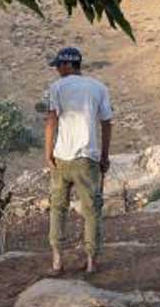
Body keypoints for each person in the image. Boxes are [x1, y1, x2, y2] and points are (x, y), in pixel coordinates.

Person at [44, 47, 113, 275]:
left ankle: (57, 261)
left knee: (57, 208)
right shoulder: (99, 87)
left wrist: (48, 152)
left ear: (68, 65)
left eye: (58, 66)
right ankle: (92, 261)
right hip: (87, 158)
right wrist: (104, 156)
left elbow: (52, 121)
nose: (56, 70)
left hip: (61, 156)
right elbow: (106, 123)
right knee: (92, 210)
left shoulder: (57, 87)